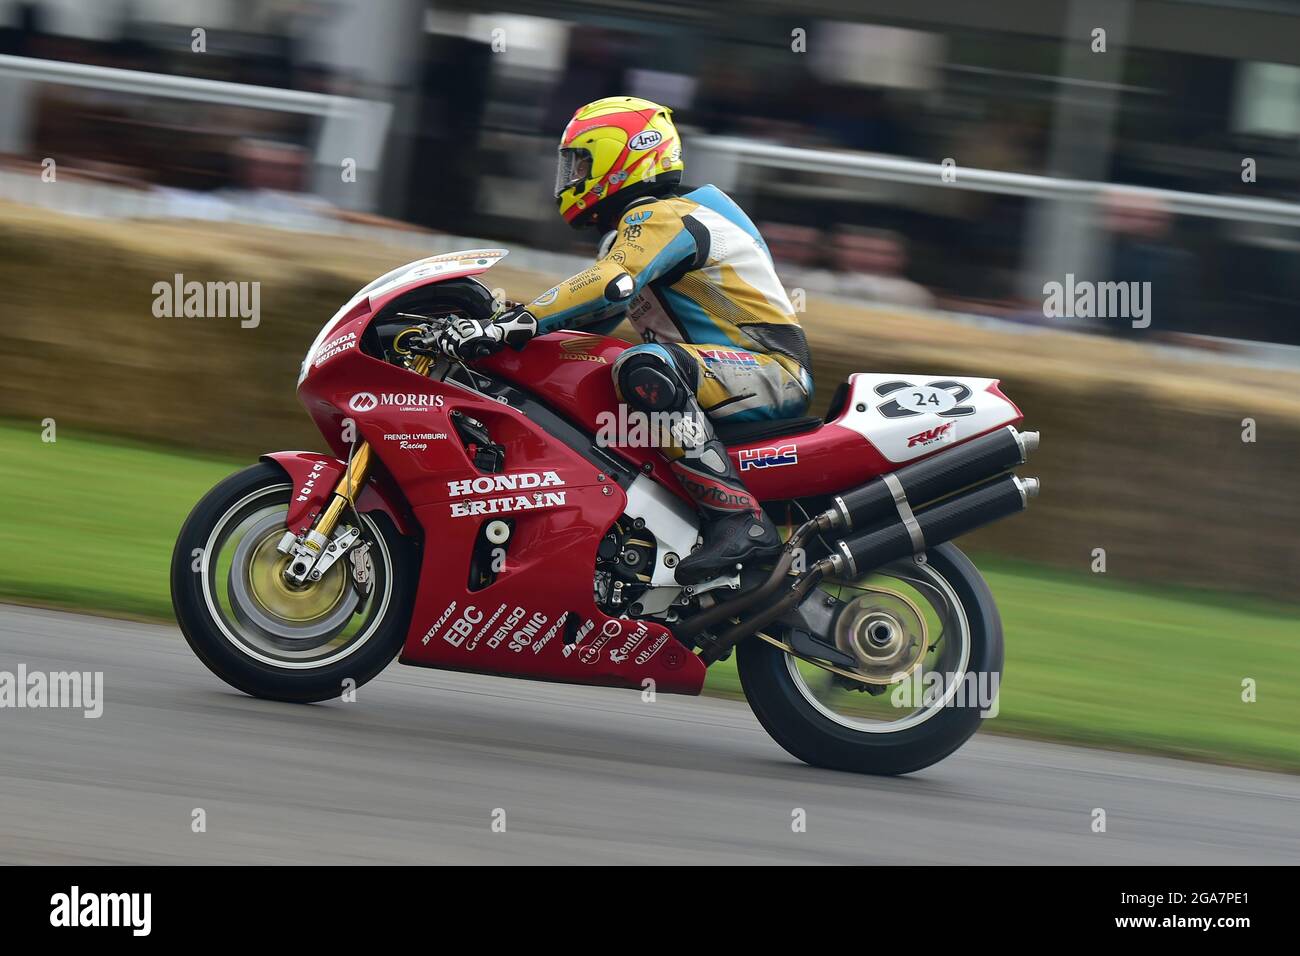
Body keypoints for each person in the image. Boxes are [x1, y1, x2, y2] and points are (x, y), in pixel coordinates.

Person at [432, 96, 813, 585]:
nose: (570, 178)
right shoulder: (636, 233)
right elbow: (586, 324)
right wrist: (500, 340)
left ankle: (740, 520)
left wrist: (510, 324)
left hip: (770, 371)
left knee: (644, 366)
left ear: (623, 158)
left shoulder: (666, 216)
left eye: (581, 163)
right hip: (724, 374)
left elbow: (609, 283)